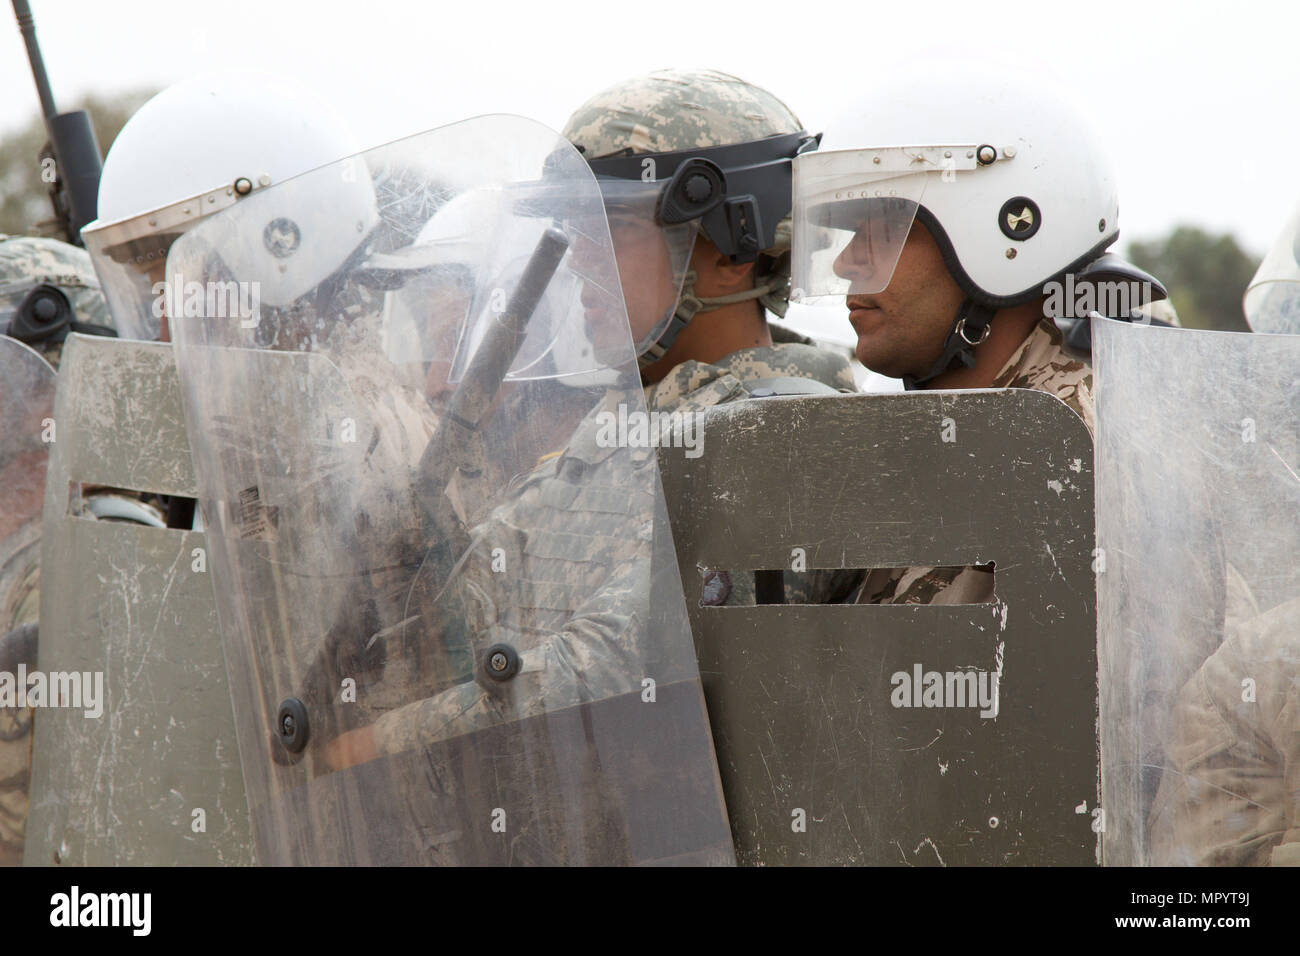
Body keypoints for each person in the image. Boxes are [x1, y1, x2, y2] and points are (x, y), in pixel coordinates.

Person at [790, 66, 1169, 605]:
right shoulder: (960, 441)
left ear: (1004, 234)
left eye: (882, 229)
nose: (849, 263)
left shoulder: (1082, 462)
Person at [562, 68, 860, 605]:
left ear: (731, 254)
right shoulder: (632, 417)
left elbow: (610, 667)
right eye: (576, 230)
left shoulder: (782, 442)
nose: (580, 263)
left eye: (614, 227)